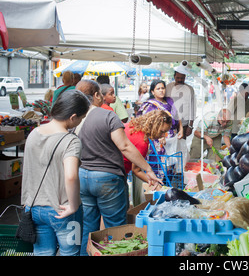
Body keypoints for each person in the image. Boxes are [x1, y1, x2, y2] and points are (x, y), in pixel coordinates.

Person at [75, 79, 163, 256]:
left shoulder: (76, 117)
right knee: (115, 228)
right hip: (107, 179)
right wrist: (149, 169)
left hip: (82, 176)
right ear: (97, 95)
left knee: (89, 228)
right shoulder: (107, 115)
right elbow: (124, 146)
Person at [21, 89, 91, 256]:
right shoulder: (71, 141)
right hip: (62, 209)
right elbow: (71, 175)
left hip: (34, 208)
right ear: (73, 117)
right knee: (70, 252)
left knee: (42, 253)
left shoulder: (34, 133)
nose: (80, 121)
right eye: (81, 118)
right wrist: (73, 206)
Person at [124, 110, 173, 205]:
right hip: (114, 174)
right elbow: (136, 170)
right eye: (162, 132)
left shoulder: (133, 126)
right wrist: (155, 183)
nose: (163, 135)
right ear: (154, 126)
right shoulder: (142, 143)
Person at [137, 79, 183, 180]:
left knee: (170, 163)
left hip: (171, 139)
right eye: (158, 89)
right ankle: (157, 184)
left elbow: (177, 116)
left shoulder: (170, 101)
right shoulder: (149, 105)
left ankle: (167, 186)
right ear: (153, 92)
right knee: (158, 164)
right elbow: (145, 125)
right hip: (157, 140)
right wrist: (160, 136)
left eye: (163, 88)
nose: (161, 90)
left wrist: (181, 129)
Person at [165, 65, 196, 139]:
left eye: (182, 78)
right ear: (174, 76)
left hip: (184, 124)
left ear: (185, 77)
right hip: (169, 124)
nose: (179, 80)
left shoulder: (190, 89)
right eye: (178, 78)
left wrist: (190, 126)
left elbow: (193, 108)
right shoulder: (168, 87)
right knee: (170, 147)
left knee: (182, 147)